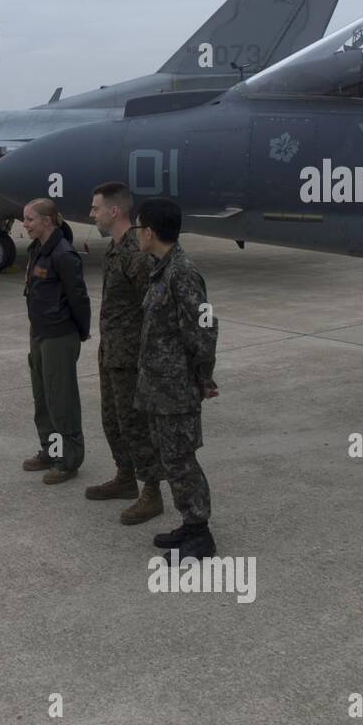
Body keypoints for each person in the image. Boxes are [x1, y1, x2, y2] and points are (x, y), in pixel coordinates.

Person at [133, 197, 220, 560]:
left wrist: (202, 377)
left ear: (150, 232)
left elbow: (204, 328)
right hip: (159, 389)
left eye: (139, 228)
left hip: (176, 390)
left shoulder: (181, 272)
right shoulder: (163, 269)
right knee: (171, 459)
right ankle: (189, 523)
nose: (137, 235)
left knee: (182, 460)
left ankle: (201, 535)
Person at [83, 183, 167, 523]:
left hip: (131, 358)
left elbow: (154, 305)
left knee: (136, 425)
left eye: (95, 208)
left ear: (113, 211)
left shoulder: (135, 251)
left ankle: (152, 493)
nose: (92, 214)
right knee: (113, 420)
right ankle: (125, 477)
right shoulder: (116, 248)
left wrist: (148, 356)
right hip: (112, 354)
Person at [20, 198, 91, 484]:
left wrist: (81, 331)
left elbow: (79, 298)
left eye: (29, 219)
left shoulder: (63, 254)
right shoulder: (37, 249)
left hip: (59, 335)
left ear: (46, 221)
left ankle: (69, 460)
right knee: (42, 396)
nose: (24, 224)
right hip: (38, 333)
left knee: (61, 399)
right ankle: (51, 450)